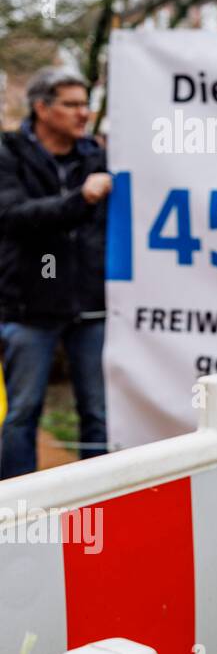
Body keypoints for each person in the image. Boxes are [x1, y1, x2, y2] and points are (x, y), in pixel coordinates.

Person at [0, 68, 112, 478]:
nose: (83, 113)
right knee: (23, 411)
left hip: (90, 306)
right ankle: (17, 506)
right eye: (72, 104)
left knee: (97, 410)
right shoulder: (8, 154)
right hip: (30, 306)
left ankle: (102, 501)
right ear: (41, 108)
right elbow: (14, 217)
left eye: (86, 103)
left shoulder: (95, 156)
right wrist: (78, 199)